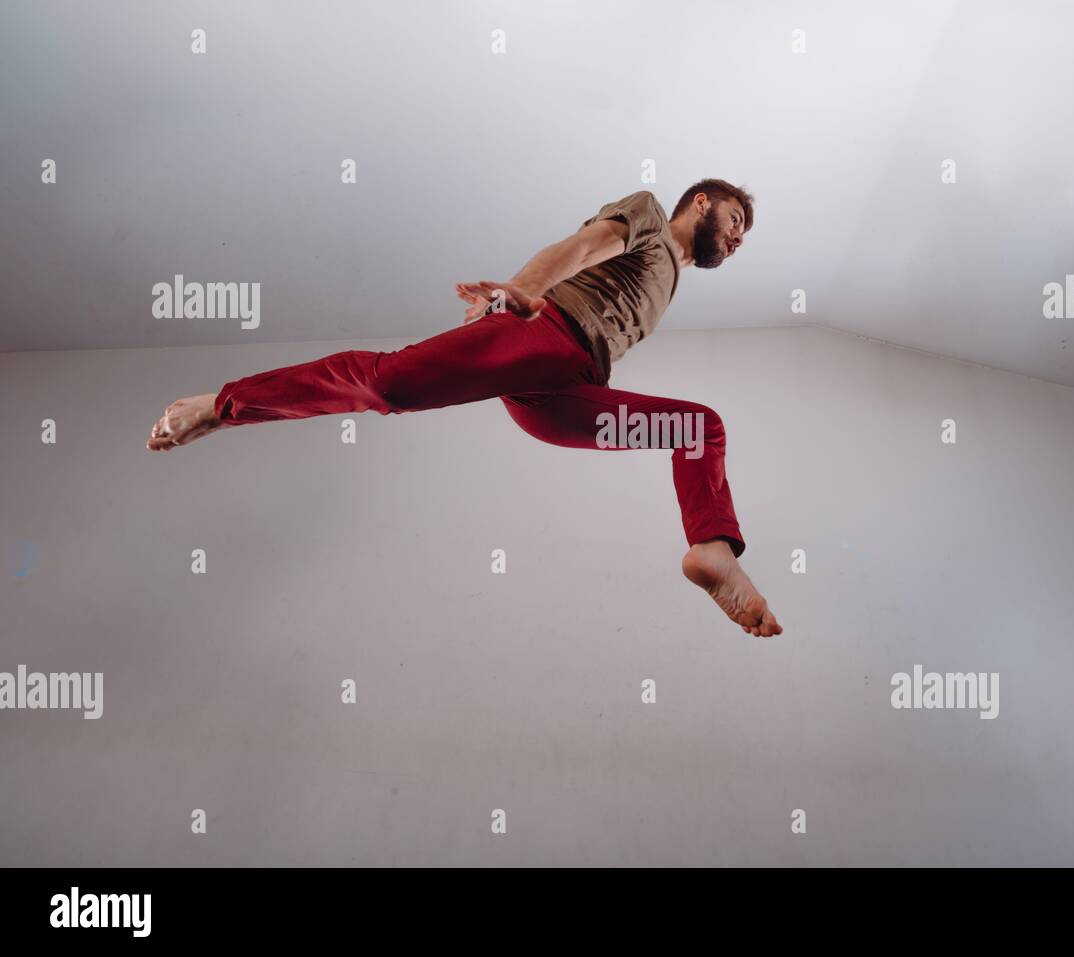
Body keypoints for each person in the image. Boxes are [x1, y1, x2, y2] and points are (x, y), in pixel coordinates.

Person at [146, 179, 782, 638]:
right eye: (735, 222)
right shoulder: (645, 211)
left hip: (563, 394)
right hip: (543, 335)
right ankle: (223, 405)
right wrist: (524, 293)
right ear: (702, 200)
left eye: (742, 238)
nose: (736, 240)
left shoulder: (669, 285)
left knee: (698, 428)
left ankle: (710, 548)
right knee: (388, 385)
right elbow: (584, 246)